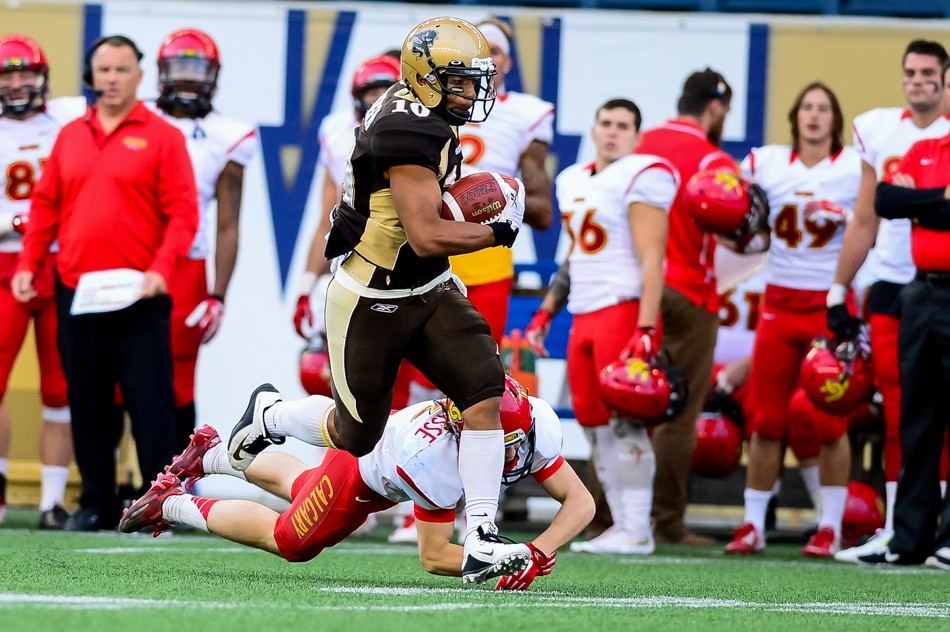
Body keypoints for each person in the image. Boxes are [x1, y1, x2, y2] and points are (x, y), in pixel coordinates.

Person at [227, 17, 526, 583]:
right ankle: (269, 414)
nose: (471, 92)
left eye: (473, 79)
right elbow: (426, 234)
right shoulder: (407, 131)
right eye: (460, 80)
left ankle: (482, 535)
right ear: (427, 78)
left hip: (428, 286)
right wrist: (498, 230)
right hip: (373, 296)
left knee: (484, 392)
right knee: (359, 433)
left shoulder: (421, 108)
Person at [120, 378, 595, 589]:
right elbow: (434, 557)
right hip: (363, 471)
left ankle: (214, 455)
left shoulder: (534, 425)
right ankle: (173, 504)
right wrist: (505, 560)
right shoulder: (435, 459)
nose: (500, 449)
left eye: (502, 438)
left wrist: (535, 552)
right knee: (291, 540)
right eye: (488, 437)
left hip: (376, 458)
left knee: (306, 485)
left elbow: (580, 502)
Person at [11, 35, 198, 531]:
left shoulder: (163, 137)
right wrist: (30, 263)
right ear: (91, 77)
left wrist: (162, 269)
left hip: (140, 290)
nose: (111, 78)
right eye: (103, 70)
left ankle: (161, 503)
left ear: (139, 76)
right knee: (88, 400)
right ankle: (95, 501)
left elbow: (183, 213)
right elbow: (45, 207)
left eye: (121, 69)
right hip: (78, 289)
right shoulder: (71, 135)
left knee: (149, 400)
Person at [389, 17, 555, 544]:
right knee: (418, 378)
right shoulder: (417, 109)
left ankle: (474, 508)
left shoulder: (521, 116)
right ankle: (417, 501)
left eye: (498, 53)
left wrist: (511, 200)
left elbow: (544, 208)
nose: (490, 64)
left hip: (484, 259)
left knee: (479, 381)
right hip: (432, 253)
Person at [527, 99, 678, 554]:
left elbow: (654, 258)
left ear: (637, 136)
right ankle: (624, 524)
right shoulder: (573, 179)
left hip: (622, 306)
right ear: (593, 129)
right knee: (594, 424)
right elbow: (575, 255)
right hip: (585, 311)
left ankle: (637, 528)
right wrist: (547, 310)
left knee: (625, 422)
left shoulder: (641, 172)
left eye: (623, 125)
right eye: (606, 123)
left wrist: (647, 325)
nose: (613, 132)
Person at [724, 83, 862, 557]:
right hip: (779, 304)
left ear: (835, 118)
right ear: (795, 115)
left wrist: (842, 214)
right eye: (807, 107)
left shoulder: (850, 166)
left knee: (829, 419)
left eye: (824, 108)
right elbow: (743, 225)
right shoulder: (767, 163)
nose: (815, 116)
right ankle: (752, 524)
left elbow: (872, 222)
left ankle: (831, 526)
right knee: (765, 419)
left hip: (829, 305)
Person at [827, 40, 950, 563]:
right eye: (911, 72)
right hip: (898, 281)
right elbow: (871, 212)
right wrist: (838, 286)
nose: (918, 80)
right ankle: (906, 529)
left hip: (938, 279)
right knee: (903, 411)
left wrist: (914, 201)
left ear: (946, 77)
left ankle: (939, 531)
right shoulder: (882, 130)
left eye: (928, 72)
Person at [633, 68, 738, 545]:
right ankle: (668, 521)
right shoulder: (715, 159)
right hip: (691, 291)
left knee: (625, 406)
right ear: (714, 108)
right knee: (678, 417)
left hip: (636, 289)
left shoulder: (639, 141)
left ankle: (602, 516)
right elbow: (739, 227)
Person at [151, 28, 256, 450]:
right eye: (180, 69)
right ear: (161, 73)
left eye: (198, 70)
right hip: (126, 259)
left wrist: (218, 294)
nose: (188, 80)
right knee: (117, 378)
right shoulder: (137, 116)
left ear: (213, 75)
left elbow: (228, 221)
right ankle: (123, 481)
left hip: (185, 264)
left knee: (177, 377)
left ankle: (172, 481)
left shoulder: (227, 133)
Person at [0, 34, 87, 529]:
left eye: (24, 74)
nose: (16, 84)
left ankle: (53, 502)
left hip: (57, 265)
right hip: (4, 265)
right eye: (7, 76)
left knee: (60, 386)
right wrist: (16, 225)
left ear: (42, 77)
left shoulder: (68, 122)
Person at [855, 134, 950, 571]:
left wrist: (920, 202)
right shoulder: (924, 150)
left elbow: (913, 205)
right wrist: (936, 198)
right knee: (917, 416)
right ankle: (910, 537)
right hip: (921, 291)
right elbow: (887, 200)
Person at [293, 53, 400, 345]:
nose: (379, 100)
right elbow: (329, 216)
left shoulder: (418, 132)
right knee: (322, 362)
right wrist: (307, 285)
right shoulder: (338, 132)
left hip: (401, 256)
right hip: (354, 257)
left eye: (386, 91)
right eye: (372, 93)